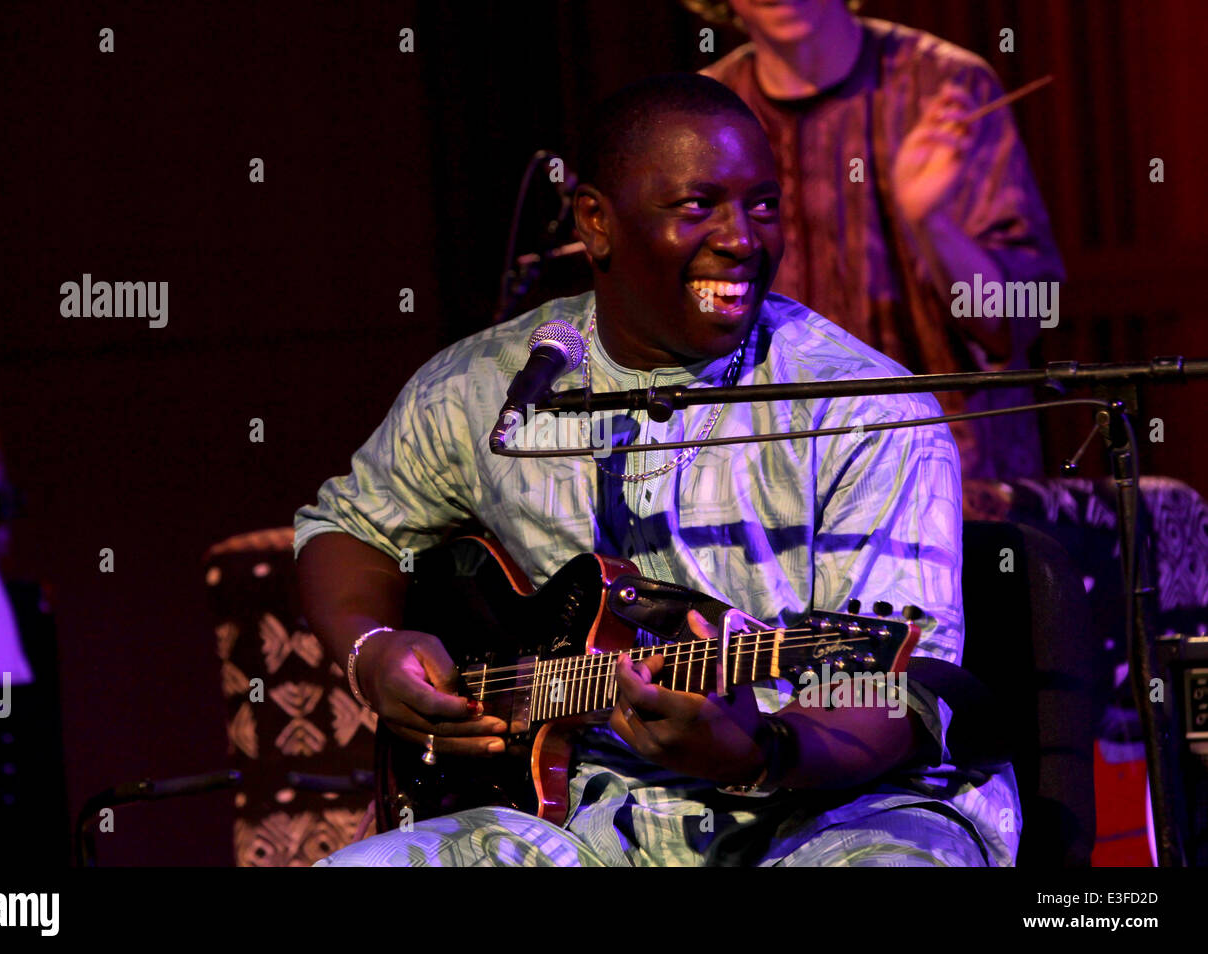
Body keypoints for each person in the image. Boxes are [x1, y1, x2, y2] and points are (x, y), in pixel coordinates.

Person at [295, 74, 1018, 866]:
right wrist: (373, 650)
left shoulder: (867, 410)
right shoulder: (490, 384)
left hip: (834, 809)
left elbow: (896, 686)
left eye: (764, 205)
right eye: (698, 206)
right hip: (578, 814)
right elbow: (349, 526)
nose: (742, 237)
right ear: (596, 223)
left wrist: (753, 751)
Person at [687, 0, 1066, 481]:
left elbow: (1019, 317)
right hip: (774, 484)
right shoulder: (702, 115)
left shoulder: (946, 85)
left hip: (952, 479)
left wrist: (933, 224)